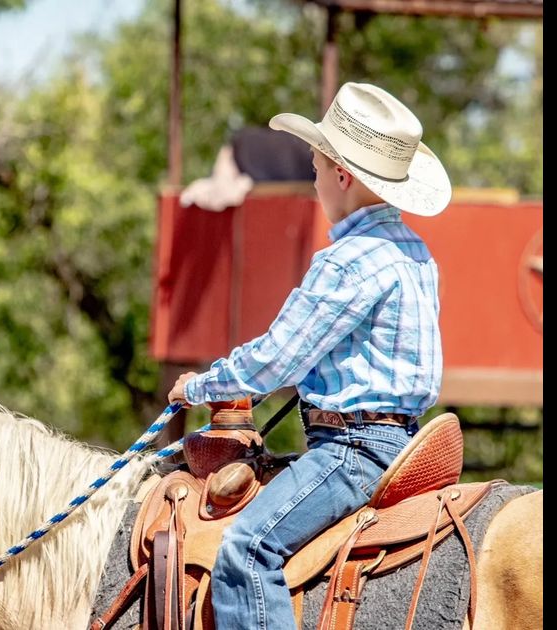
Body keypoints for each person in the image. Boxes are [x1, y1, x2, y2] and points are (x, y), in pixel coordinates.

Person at [166, 82, 451, 630]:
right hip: (405, 439)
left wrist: (200, 387)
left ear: (342, 176)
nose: (315, 179)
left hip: (352, 449)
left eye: (317, 167)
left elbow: (275, 361)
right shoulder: (416, 252)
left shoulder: (346, 261)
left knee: (246, 552)